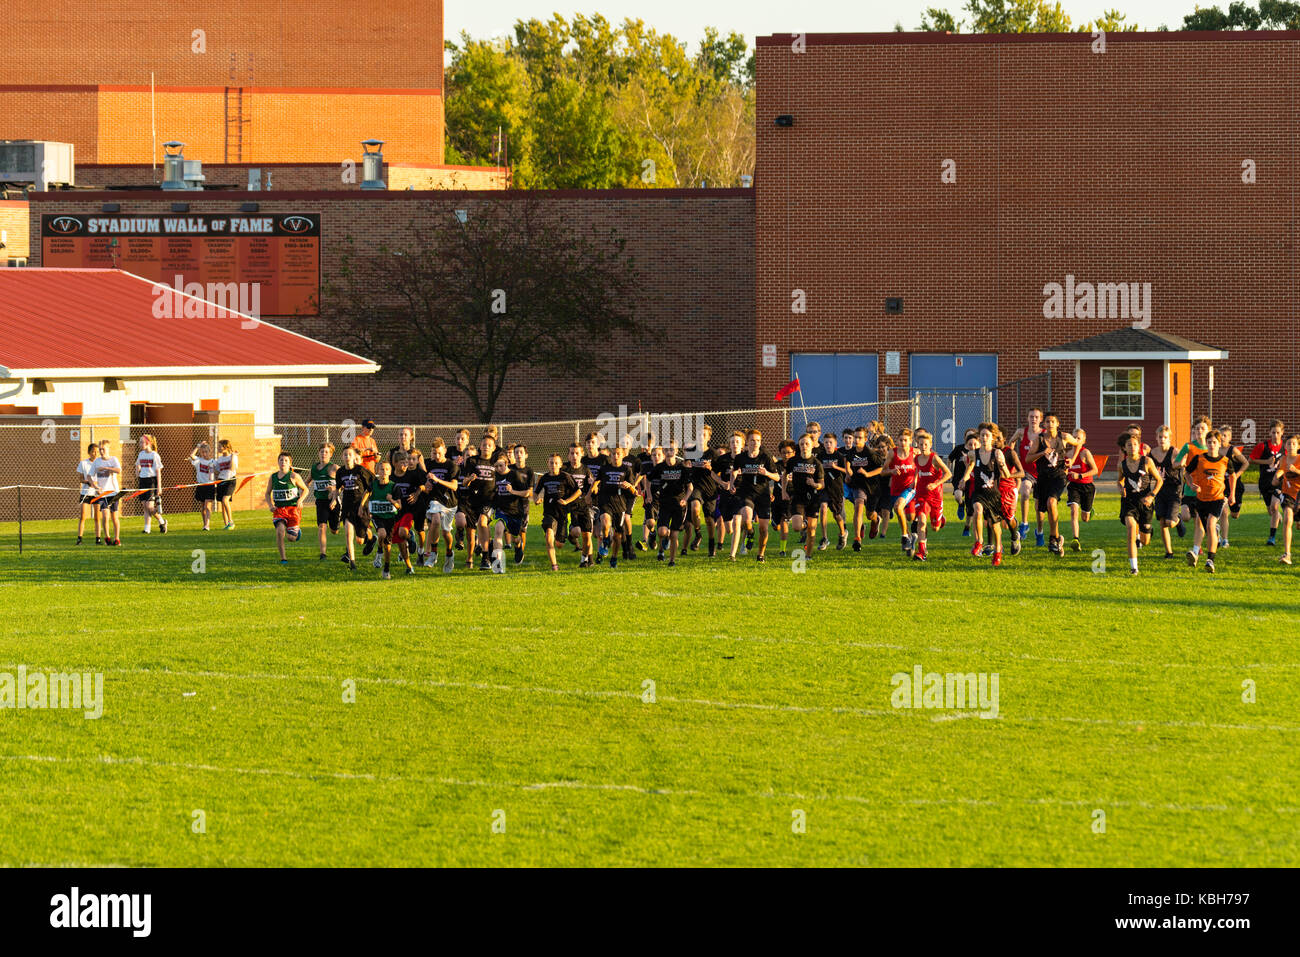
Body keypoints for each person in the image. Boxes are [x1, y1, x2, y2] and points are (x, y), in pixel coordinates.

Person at [1025, 413, 1079, 556]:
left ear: (1057, 424)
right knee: (1042, 509)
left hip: (1059, 476)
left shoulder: (1065, 437)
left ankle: (1053, 539)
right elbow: (1028, 459)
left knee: (1051, 502)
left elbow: (1078, 443)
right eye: (1047, 422)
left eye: (1052, 421)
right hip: (1043, 477)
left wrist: (1072, 459)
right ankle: (1056, 538)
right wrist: (1042, 453)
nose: (1050, 424)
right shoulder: (1039, 439)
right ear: (1044, 425)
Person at [960, 424, 1010, 567]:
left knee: (995, 526)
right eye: (982, 435)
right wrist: (964, 479)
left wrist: (1003, 465)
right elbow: (970, 467)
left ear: (993, 438)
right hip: (979, 492)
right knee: (977, 509)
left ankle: (998, 550)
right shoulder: (972, 453)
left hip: (993, 494)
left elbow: (1006, 475)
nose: (984, 438)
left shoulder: (997, 454)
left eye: (987, 435)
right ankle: (979, 541)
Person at [1184, 429, 1231, 573]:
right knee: (1203, 526)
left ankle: (1210, 560)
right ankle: (1197, 552)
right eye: (1209, 442)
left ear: (1219, 444)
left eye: (1214, 442)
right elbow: (1186, 472)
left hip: (1217, 498)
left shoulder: (1225, 461)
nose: (1211, 445)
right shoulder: (1199, 458)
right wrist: (1191, 484)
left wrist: (1232, 494)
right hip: (1201, 498)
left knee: (1210, 523)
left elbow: (1233, 476)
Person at [1117, 434, 1163, 575]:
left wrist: (1151, 496)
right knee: (1131, 529)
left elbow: (1159, 481)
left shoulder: (1147, 461)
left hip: (1145, 503)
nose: (1132, 447)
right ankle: (1134, 568)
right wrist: (1121, 489)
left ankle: (1147, 531)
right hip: (1129, 503)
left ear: (1139, 446)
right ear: (1124, 448)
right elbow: (1120, 481)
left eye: (1135, 444)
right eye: (1129, 445)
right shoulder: (1122, 465)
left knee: (1145, 540)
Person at [733, 429, 780, 563]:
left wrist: (766, 473)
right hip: (746, 493)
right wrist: (731, 483)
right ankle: (750, 532)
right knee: (747, 519)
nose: (755, 443)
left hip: (763, 495)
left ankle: (760, 555)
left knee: (764, 529)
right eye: (752, 440)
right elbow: (734, 472)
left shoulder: (765, 457)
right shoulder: (740, 458)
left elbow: (777, 477)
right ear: (747, 442)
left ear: (760, 442)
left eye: (758, 440)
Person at [908, 429, 951, 562]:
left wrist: (935, 484)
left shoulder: (934, 458)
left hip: (935, 495)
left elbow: (948, 473)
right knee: (921, 520)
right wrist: (914, 482)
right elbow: (917, 470)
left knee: (935, 528)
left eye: (926, 444)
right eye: (921, 444)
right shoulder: (916, 458)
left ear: (930, 445)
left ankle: (940, 518)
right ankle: (921, 552)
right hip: (921, 494)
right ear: (918, 445)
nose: (923, 447)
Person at [535, 453, 580, 571]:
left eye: (556, 463)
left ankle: (569, 536)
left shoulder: (566, 477)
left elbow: (578, 492)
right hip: (549, 513)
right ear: (547, 464)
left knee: (559, 544)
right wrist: (537, 499)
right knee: (549, 536)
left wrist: (566, 501)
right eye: (551, 463)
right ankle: (554, 566)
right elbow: (536, 492)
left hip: (563, 514)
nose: (553, 465)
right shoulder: (544, 478)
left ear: (560, 464)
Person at [264, 452, 310, 565]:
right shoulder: (273, 477)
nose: (283, 462)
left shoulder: (294, 476)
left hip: (293, 509)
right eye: (281, 460)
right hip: (279, 510)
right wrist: (270, 505)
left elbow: (306, 490)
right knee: (280, 531)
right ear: (278, 462)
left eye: (285, 460)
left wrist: (300, 500)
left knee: (291, 538)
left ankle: (296, 532)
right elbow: (267, 493)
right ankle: (283, 558)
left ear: (290, 463)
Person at [421, 438, 460, 572]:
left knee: (446, 532)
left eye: (439, 453)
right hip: (434, 500)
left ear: (444, 450)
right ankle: (433, 554)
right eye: (434, 453)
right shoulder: (428, 464)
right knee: (435, 520)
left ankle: (449, 553)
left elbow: (454, 486)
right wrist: (425, 485)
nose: (436, 456)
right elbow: (423, 481)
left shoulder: (451, 466)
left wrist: (438, 480)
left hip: (449, 502)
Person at [650, 446, 693, 566]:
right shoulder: (660, 467)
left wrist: (685, 499)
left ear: (676, 451)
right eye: (667, 450)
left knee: (674, 534)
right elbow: (648, 480)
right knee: (662, 532)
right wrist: (649, 494)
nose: (669, 452)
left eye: (672, 449)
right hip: (664, 504)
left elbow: (690, 487)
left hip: (679, 505)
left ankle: (671, 560)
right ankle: (666, 538)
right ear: (664, 452)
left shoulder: (681, 467)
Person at [784, 432, 825, 559]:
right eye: (802, 444)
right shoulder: (793, 461)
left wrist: (814, 484)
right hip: (798, 497)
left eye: (807, 444)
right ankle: (805, 523)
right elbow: (784, 475)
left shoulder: (816, 463)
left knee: (811, 531)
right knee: (796, 527)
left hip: (813, 498)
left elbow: (822, 484)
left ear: (812, 445)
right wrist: (783, 491)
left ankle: (808, 555)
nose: (804, 446)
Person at [595, 445, 637, 568]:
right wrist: (592, 490)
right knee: (605, 522)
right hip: (605, 501)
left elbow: (634, 491)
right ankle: (606, 539)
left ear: (623, 455)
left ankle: (614, 557)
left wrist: (628, 486)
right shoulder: (604, 469)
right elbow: (597, 481)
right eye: (613, 454)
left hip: (620, 505)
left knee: (618, 535)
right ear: (610, 455)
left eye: (618, 454)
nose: (615, 456)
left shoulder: (627, 470)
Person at [490, 451, 532, 570]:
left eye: (501, 465)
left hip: (515, 511)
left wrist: (513, 491)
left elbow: (527, 493)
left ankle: (518, 547)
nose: (498, 468)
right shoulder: (495, 476)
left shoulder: (515, 475)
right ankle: (498, 561)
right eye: (496, 466)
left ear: (507, 463)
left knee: (515, 538)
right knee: (498, 530)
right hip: (501, 510)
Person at [1149, 425, 1184, 559]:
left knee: (1170, 522)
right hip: (1160, 490)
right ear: (1156, 438)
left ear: (1170, 439)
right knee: (1162, 522)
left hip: (1174, 489)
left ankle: (1178, 520)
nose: (1162, 440)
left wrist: (1182, 462)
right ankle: (1169, 552)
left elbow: (1184, 461)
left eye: (1165, 437)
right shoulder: (1152, 453)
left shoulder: (1174, 452)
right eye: (1160, 437)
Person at [334, 445, 372, 571]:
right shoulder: (340, 472)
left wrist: (363, 504)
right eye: (345, 455)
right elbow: (338, 487)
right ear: (342, 457)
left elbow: (370, 487)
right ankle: (353, 564)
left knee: (360, 540)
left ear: (354, 456)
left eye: (350, 454)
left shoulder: (360, 470)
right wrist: (334, 498)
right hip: (347, 507)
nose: (347, 457)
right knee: (348, 533)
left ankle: (371, 538)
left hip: (361, 506)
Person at [1010, 408, 1043, 545]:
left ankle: (1039, 532)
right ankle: (1024, 523)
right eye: (1031, 416)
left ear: (1040, 419)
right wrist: (1012, 458)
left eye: (1036, 417)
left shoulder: (1044, 434)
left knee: (1039, 506)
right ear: (1027, 418)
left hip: (1042, 473)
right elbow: (1010, 443)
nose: (1033, 419)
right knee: (1024, 491)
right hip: (1026, 472)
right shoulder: (1020, 432)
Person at [1249, 419, 1286, 546]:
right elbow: (1251, 460)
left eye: (1278, 432)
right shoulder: (1262, 446)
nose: (1275, 435)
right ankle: (1277, 517)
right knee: (1271, 511)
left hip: (1279, 481)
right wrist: (1267, 462)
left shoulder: (1285, 446)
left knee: (1274, 507)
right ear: (1269, 433)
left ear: (1282, 433)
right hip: (1265, 482)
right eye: (1273, 432)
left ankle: (1272, 538)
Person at [562, 443, 599, 568]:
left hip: (584, 506)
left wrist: (592, 485)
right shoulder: (564, 470)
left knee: (587, 534)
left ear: (582, 454)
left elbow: (595, 490)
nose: (574, 456)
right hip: (570, 506)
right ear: (568, 455)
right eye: (572, 453)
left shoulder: (585, 470)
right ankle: (571, 537)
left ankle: (587, 560)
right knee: (577, 532)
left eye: (577, 453)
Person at [389, 451, 425, 574]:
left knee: (402, 532)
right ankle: (409, 566)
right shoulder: (390, 478)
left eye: (406, 462)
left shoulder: (411, 475)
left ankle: (410, 536)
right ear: (394, 463)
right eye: (402, 462)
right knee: (400, 540)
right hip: (394, 512)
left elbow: (423, 486)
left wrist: (416, 493)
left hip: (408, 510)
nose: (406, 465)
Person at [883, 428, 918, 556]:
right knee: (901, 513)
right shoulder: (892, 453)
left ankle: (904, 537)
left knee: (901, 509)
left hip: (909, 488)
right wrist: (891, 471)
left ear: (910, 441)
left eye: (905, 440)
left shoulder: (915, 453)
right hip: (895, 489)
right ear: (897, 440)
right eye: (900, 440)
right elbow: (883, 471)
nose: (903, 443)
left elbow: (920, 468)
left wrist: (915, 480)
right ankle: (910, 537)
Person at [366, 459, 401, 579]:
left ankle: (386, 568)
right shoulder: (373, 485)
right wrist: (362, 507)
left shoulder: (394, 486)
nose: (384, 471)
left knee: (388, 545)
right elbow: (366, 494)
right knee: (381, 534)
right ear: (377, 471)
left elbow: (399, 506)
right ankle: (379, 551)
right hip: (377, 516)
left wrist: (391, 500)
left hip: (390, 518)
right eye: (382, 469)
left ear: (390, 472)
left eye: (387, 469)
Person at [1064, 428, 1098, 552]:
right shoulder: (1067, 455)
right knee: (1073, 510)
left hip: (1087, 486)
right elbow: (1065, 472)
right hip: (1074, 486)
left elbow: (1095, 470)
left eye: (1079, 438)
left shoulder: (1085, 453)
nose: (1076, 440)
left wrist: (1080, 475)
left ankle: (1089, 509)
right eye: (1074, 437)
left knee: (1085, 518)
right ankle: (1076, 539)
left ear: (1084, 440)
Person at [815, 432, 850, 550]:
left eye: (830, 442)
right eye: (826, 442)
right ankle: (825, 538)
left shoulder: (840, 456)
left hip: (836, 490)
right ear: (823, 444)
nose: (828, 445)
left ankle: (842, 533)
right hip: (824, 488)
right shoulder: (820, 456)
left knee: (837, 515)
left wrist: (836, 467)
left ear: (835, 443)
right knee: (823, 508)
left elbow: (848, 471)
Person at [1216, 425, 1249, 549]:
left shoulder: (1233, 450)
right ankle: (1224, 539)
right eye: (1221, 435)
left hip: (1235, 485)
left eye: (1225, 436)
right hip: (1220, 485)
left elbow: (1246, 463)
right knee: (1224, 512)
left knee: (1234, 515)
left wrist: (1237, 474)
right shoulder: (1215, 450)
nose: (1223, 438)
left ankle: (1221, 529)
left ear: (1230, 437)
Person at [309, 443, 340, 560]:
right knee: (322, 526)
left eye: (326, 452)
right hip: (321, 501)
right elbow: (307, 481)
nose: (323, 454)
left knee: (334, 531)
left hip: (333, 501)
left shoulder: (334, 468)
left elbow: (342, 485)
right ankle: (323, 554)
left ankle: (336, 526)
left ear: (331, 454)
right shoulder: (314, 468)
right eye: (322, 451)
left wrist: (335, 490)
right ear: (318, 453)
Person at [92, 440, 124, 546]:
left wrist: (107, 468)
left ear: (108, 449)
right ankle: (107, 537)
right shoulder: (97, 461)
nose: (101, 451)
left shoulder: (113, 460)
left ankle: (117, 539)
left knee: (114, 517)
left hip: (113, 492)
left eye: (103, 449)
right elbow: (89, 476)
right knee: (105, 516)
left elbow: (118, 470)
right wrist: (96, 486)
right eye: (100, 449)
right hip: (103, 493)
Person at [1275, 434, 1300, 565]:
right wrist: (1276, 475)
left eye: (1294, 444)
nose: (1291, 446)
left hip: (1299, 494)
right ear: (1285, 446)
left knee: (1296, 521)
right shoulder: (1284, 459)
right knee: (1287, 519)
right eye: (1289, 444)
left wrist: (1296, 470)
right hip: (1288, 494)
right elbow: (1281, 470)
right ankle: (1287, 554)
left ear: (1298, 446)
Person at [135, 434, 167, 535]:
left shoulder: (154, 455)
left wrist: (159, 487)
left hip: (151, 481)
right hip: (142, 481)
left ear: (148, 443)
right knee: (145, 506)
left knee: (150, 506)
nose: (140, 444)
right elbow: (137, 464)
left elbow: (158, 471)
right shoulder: (141, 454)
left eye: (141, 442)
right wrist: (138, 471)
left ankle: (162, 521)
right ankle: (147, 528)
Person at [76, 442, 100, 544]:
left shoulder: (99, 463)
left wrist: (95, 484)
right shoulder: (83, 463)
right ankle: (79, 538)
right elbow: (81, 479)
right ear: (89, 452)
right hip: (85, 492)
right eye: (93, 452)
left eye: (96, 452)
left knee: (97, 517)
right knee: (83, 516)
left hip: (96, 493)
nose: (95, 454)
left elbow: (101, 479)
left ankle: (98, 538)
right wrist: (87, 482)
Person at [190, 441, 216, 531]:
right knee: (202, 507)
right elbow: (191, 456)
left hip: (210, 486)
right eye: (202, 452)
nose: (204, 454)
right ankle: (204, 524)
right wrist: (198, 446)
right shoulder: (199, 461)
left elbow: (217, 471)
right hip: (201, 485)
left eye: (206, 452)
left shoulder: (213, 462)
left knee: (207, 506)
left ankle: (207, 525)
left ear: (210, 451)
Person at [214, 438, 239, 530]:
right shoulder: (219, 459)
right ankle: (226, 524)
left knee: (225, 500)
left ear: (225, 447)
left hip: (230, 480)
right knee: (222, 503)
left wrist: (233, 456)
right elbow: (217, 472)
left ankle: (231, 522)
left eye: (220, 446)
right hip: (221, 480)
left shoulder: (233, 457)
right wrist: (212, 467)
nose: (218, 448)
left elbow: (232, 468)